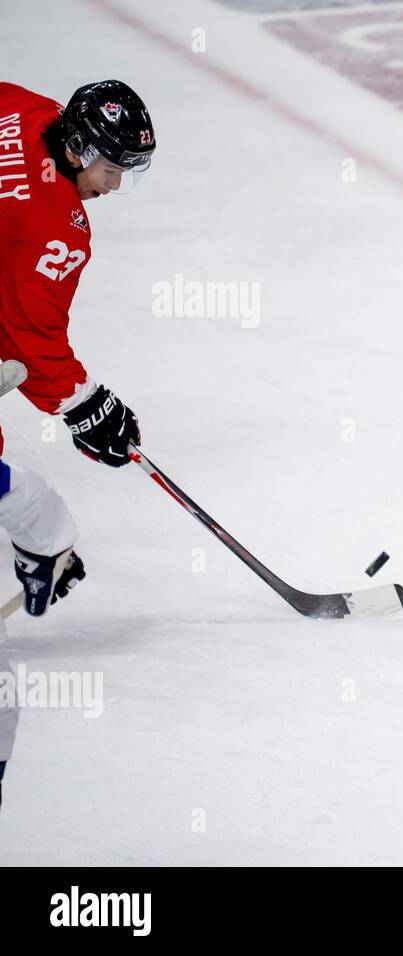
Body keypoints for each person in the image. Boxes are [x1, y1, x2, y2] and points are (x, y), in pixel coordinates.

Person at [0, 79, 155, 802]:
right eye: (111, 170)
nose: (114, 187)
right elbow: (32, 345)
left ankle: (42, 527)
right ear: (79, 147)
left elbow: (28, 345)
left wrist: (84, 404)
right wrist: (89, 409)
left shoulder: (23, 107)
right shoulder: (57, 228)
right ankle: (44, 528)